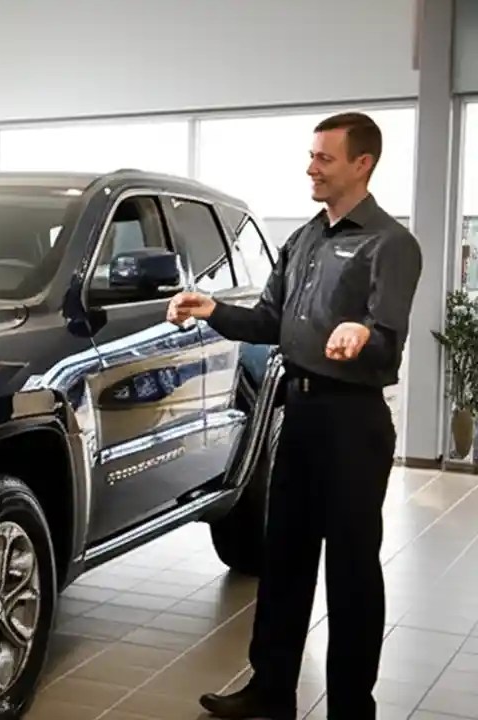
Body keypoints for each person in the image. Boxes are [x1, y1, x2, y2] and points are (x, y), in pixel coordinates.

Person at [170, 112, 422, 719]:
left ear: (362, 165)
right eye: (311, 156)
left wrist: (362, 332)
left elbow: (387, 334)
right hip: (298, 416)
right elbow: (266, 321)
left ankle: (351, 706)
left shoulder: (391, 244)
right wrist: (215, 311)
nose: (311, 167)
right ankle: (271, 688)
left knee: (352, 568)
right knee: (283, 557)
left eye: (324, 158)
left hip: (351, 424)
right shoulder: (305, 238)